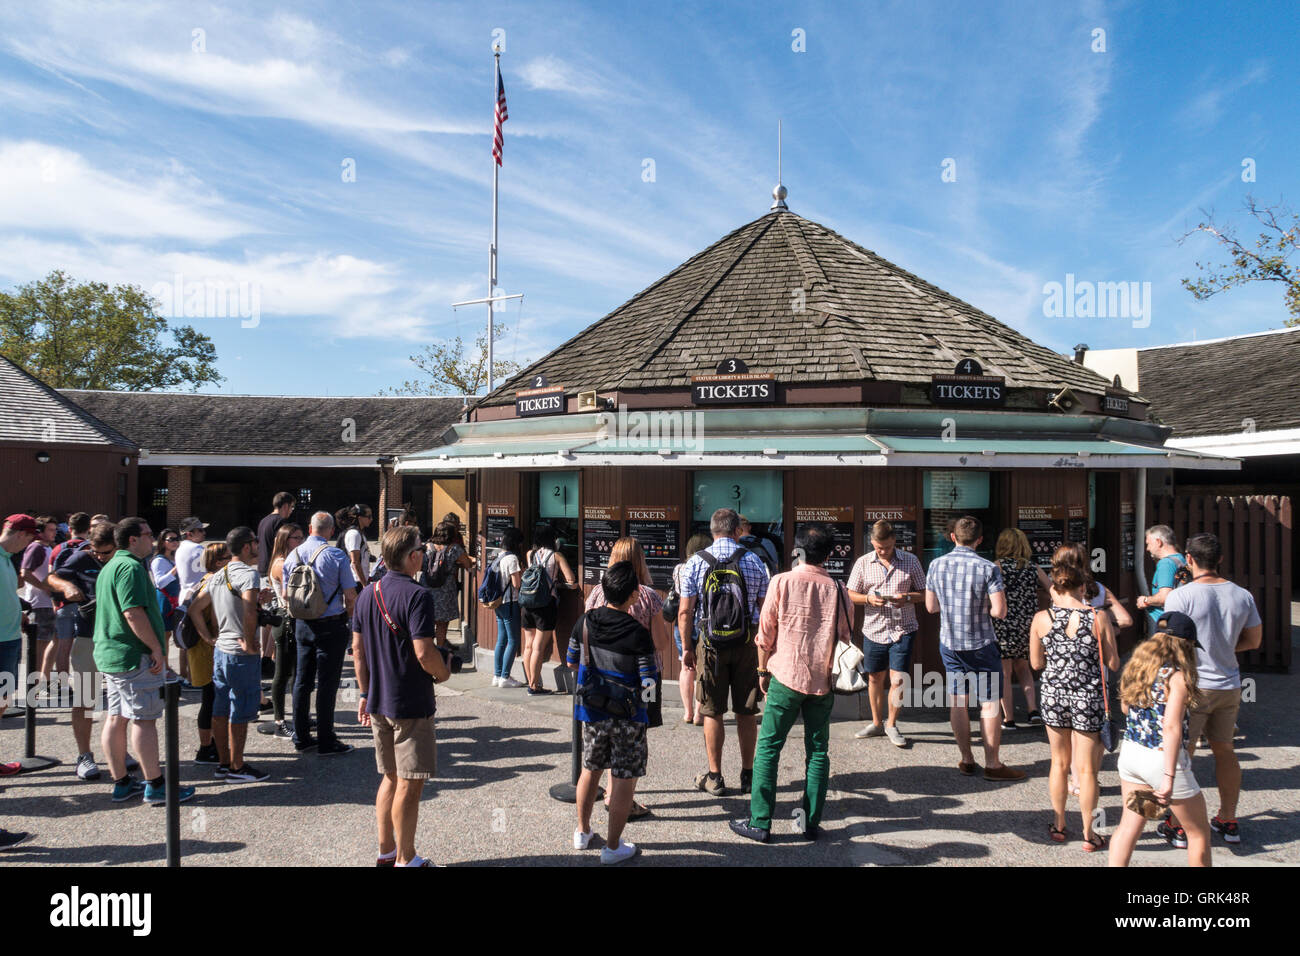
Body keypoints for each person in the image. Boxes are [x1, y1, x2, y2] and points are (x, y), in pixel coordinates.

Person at [730, 523, 852, 843]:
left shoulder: (781, 581)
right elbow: (844, 636)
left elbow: (765, 633)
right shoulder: (839, 590)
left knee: (769, 748)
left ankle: (760, 822)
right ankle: (809, 823)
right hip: (823, 680)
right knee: (818, 752)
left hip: (785, 675)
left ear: (797, 551)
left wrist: (761, 671)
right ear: (828, 555)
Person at [353, 526, 451, 867]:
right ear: (412, 556)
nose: (423, 555)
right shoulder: (417, 595)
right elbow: (424, 652)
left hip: (378, 697)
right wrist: (444, 672)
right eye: (421, 550)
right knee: (411, 783)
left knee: (389, 778)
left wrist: (364, 692)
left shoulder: (368, 592)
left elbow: (358, 650)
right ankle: (406, 858)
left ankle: (386, 851)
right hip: (410, 699)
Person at [1158, 532, 1261, 848]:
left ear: (1188, 559)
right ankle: (1229, 818)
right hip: (1229, 684)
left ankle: (1177, 824)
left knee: (1181, 755)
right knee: (1225, 750)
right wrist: (1225, 649)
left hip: (1190, 685)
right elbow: (1254, 641)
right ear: (1219, 559)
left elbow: (1166, 646)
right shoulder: (1242, 596)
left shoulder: (1181, 596)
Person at [93, 517, 196, 806]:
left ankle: (122, 781)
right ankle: (156, 784)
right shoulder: (129, 567)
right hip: (132, 654)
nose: (153, 539)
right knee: (144, 719)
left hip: (113, 654)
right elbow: (132, 612)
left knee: (116, 717)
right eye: (148, 534)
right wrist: (157, 649)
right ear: (132, 539)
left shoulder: (111, 565)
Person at [567, 561, 658, 864]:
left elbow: (570, 661)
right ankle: (613, 846)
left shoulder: (585, 621)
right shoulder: (638, 633)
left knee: (590, 768)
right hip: (628, 715)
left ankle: (582, 832)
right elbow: (647, 680)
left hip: (592, 711)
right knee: (622, 778)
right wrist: (646, 709)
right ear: (633, 595)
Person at [677, 507, 770, 796]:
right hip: (746, 644)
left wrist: (688, 649)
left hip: (710, 645)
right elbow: (765, 610)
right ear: (737, 531)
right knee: (746, 711)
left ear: (713, 532)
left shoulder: (695, 563)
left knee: (712, 711)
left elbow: (684, 611)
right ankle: (748, 774)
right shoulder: (755, 561)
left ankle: (715, 777)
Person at [924, 515, 1024, 781]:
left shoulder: (936, 565)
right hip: (981, 643)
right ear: (979, 540)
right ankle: (992, 763)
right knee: (989, 703)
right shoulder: (988, 568)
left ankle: (967, 759)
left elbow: (931, 607)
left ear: (953, 537)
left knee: (958, 701)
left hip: (950, 643)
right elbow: (1000, 611)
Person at [1109, 612, 1211, 867]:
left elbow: (1124, 709)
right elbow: (1172, 726)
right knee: (1198, 833)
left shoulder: (1138, 669)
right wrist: (1169, 778)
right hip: (1161, 760)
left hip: (1132, 756)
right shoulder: (1176, 677)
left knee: (1129, 827)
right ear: (1184, 645)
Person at [1030, 558, 1118, 850]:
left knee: (1059, 763)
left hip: (1054, 694)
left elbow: (1035, 662)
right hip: (1088, 696)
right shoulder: (1098, 617)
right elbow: (1113, 662)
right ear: (1083, 587)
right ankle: (1089, 833)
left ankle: (1058, 824)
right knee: (1088, 770)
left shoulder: (1042, 619)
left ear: (1055, 588)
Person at [584, 536, 664, 820]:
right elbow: (662, 643)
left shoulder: (596, 593)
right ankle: (623, 800)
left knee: (605, 737)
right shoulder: (648, 595)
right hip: (644, 679)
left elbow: (585, 631)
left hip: (603, 676)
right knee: (635, 737)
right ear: (640, 560)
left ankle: (608, 790)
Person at [187, 527, 269, 782]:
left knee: (220, 708)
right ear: (247, 547)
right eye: (255, 543)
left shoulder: (218, 574)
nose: (258, 547)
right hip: (238, 652)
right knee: (241, 710)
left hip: (221, 649)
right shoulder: (248, 575)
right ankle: (237, 767)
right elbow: (248, 612)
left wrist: (208, 637)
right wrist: (248, 640)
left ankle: (224, 763)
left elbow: (195, 609)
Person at [47, 524, 119, 779]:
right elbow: (52, 577)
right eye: (96, 552)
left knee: (120, 701)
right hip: (89, 636)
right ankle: (84, 755)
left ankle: (118, 751)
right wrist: (66, 587)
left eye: (106, 552)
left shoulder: (128, 560)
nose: (99, 557)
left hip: (120, 639)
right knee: (86, 698)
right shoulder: (81, 556)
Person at [283, 511, 358, 755]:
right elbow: (350, 595)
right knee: (327, 683)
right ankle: (326, 738)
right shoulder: (336, 556)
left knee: (302, 680)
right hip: (330, 622)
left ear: (309, 527)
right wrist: (350, 621)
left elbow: (286, 595)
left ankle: (301, 735)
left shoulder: (292, 555)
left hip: (302, 622)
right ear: (331, 531)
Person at [847, 520, 928, 746]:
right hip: (874, 629)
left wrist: (908, 598)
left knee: (898, 678)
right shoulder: (863, 562)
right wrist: (868, 598)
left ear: (894, 541)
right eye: (879, 547)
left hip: (904, 628)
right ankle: (876, 723)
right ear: (872, 542)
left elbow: (925, 593)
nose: (883, 551)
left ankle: (891, 724)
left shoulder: (910, 561)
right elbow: (850, 593)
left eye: (887, 547)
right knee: (874, 677)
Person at [0, 516, 37, 849]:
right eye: (28, 539)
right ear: (20, 534)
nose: (29, 545)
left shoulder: (8, 561)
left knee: (1, 703)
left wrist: (20, 612)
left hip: (9, 641)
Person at [991, 528, 1050, 729]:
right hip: (1028, 625)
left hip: (1004, 623)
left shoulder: (996, 567)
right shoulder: (1033, 567)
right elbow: (1052, 589)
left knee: (1005, 672)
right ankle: (1033, 711)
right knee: (1024, 668)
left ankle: (1009, 719)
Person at [183, 542, 230, 765]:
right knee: (210, 698)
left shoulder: (209, 579)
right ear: (218, 562)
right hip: (204, 650)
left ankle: (210, 744)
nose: (233, 561)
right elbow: (195, 611)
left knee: (211, 697)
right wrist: (208, 638)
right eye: (228, 557)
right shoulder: (212, 581)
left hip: (205, 649)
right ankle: (205, 748)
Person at [258, 522, 304, 738]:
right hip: (285, 619)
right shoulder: (281, 563)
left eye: (301, 536)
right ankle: (279, 722)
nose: (300, 541)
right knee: (282, 673)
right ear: (285, 540)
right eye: (296, 537)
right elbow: (287, 595)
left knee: (296, 672)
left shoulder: (291, 560)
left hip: (294, 619)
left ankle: (299, 716)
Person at [520, 523, 577, 696]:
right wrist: (556, 583)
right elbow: (572, 581)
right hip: (545, 604)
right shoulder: (556, 556)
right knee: (538, 647)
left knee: (528, 645)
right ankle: (534, 686)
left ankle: (531, 682)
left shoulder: (530, 554)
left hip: (527, 602)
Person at [671, 533, 711, 726]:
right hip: (704, 621)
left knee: (685, 666)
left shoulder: (679, 568)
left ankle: (687, 712)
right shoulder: (710, 566)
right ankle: (699, 713)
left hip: (683, 621)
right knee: (702, 668)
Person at [256, 492, 296, 669]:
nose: (291, 511)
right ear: (285, 505)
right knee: (276, 614)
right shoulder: (280, 522)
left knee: (267, 617)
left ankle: (267, 654)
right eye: (292, 507)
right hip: (273, 570)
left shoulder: (264, 521)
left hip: (262, 569)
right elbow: (277, 547)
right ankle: (269, 657)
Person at [20, 516, 58, 695]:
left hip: (49, 604)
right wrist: (45, 587)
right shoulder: (35, 547)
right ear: (40, 532)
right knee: (39, 646)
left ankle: (45, 681)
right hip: (39, 604)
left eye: (54, 529)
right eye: (50, 529)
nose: (54, 532)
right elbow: (25, 573)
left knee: (53, 642)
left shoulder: (47, 547)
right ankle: (32, 688)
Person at [425, 520, 475, 650]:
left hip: (426, 588)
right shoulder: (454, 549)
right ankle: (440, 651)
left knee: (427, 622)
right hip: (445, 590)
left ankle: (427, 650)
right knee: (442, 624)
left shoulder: (427, 547)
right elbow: (468, 565)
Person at [490, 527, 525, 688]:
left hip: (498, 603)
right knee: (513, 640)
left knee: (501, 640)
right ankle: (505, 676)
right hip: (510, 602)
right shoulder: (512, 559)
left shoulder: (499, 556)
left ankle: (497, 675)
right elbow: (516, 584)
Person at [1135, 525, 1185, 631]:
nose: (1147, 549)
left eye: (1148, 544)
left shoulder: (1165, 563)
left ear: (1159, 542)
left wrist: (1145, 600)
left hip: (1165, 623)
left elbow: (1164, 597)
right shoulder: (1180, 559)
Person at [150, 528, 183, 682]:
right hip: (164, 598)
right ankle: (164, 665)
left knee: (170, 634)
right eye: (171, 539)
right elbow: (159, 582)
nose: (175, 541)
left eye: (177, 538)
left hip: (175, 598)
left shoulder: (174, 558)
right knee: (163, 634)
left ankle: (168, 666)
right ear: (163, 542)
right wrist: (176, 569)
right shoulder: (158, 560)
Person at [335, 504, 374, 591]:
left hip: (358, 580)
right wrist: (365, 584)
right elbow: (355, 562)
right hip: (356, 581)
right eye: (369, 516)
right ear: (359, 517)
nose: (371, 519)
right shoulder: (354, 534)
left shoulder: (358, 532)